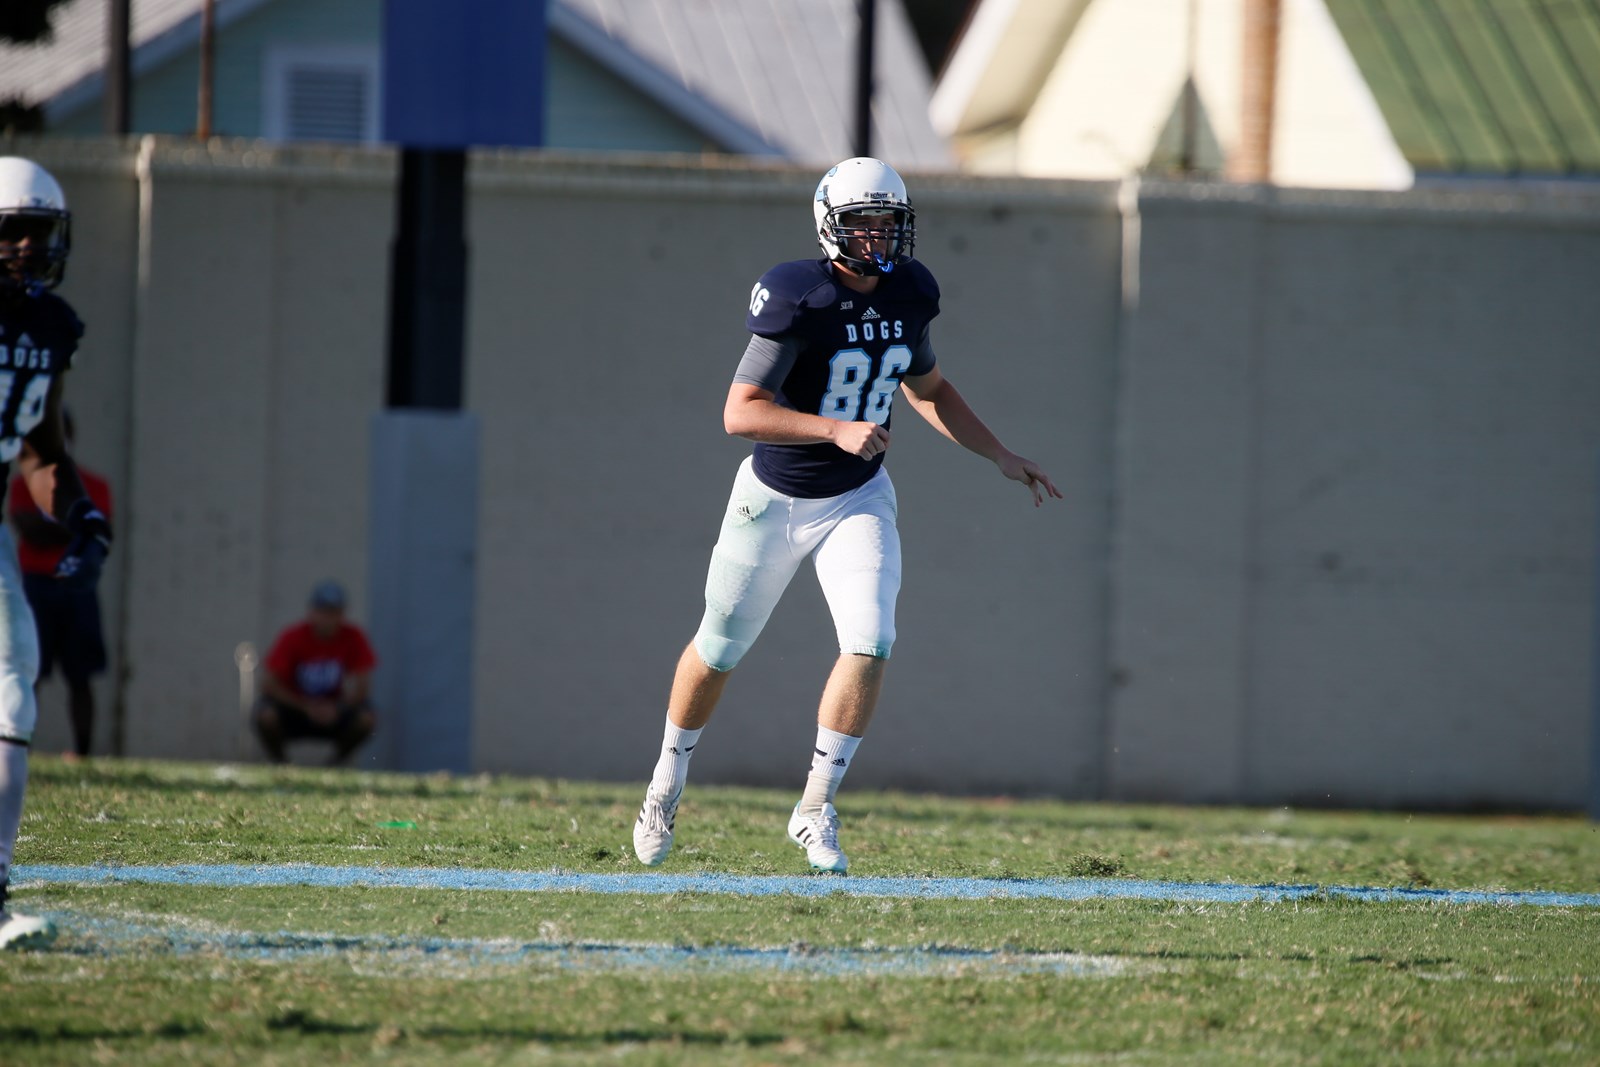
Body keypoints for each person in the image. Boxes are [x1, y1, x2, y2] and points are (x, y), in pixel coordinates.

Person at [632, 157, 1062, 874]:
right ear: (831, 224)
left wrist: (998, 453)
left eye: (888, 222)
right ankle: (665, 782)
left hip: (858, 496)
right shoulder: (799, 295)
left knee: (872, 638)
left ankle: (814, 807)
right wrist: (833, 427)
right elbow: (741, 411)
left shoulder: (911, 291)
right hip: (772, 499)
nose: (878, 236)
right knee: (720, 647)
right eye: (863, 221)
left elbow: (928, 386)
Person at [0, 157, 113, 950]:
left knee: (15, 695)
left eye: (44, 233)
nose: (35, 248)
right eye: (18, 232)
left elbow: (40, 455)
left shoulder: (51, 327)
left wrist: (82, 514)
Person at [8, 408, 113, 760]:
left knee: (80, 675)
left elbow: (101, 531)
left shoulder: (93, 486)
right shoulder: (24, 485)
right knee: (28, 672)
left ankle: (82, 754)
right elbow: (30, 529)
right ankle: (19, 747)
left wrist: (77, 528)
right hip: (36, 584)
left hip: (77, 588)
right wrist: (76, 527)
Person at [252, 580, 378, 765]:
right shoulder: (292, 636)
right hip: (296, 710)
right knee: (265, 715)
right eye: (322, 611)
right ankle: (281, 765)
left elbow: (362, 687)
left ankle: (335, 765)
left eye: (333, 612)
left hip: (333, 711)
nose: (327, 618)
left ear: (342, 614)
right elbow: (268, 684)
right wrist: (306, 707)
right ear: (311, 611)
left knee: (367, 718)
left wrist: (337, 707)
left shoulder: (353, 636)